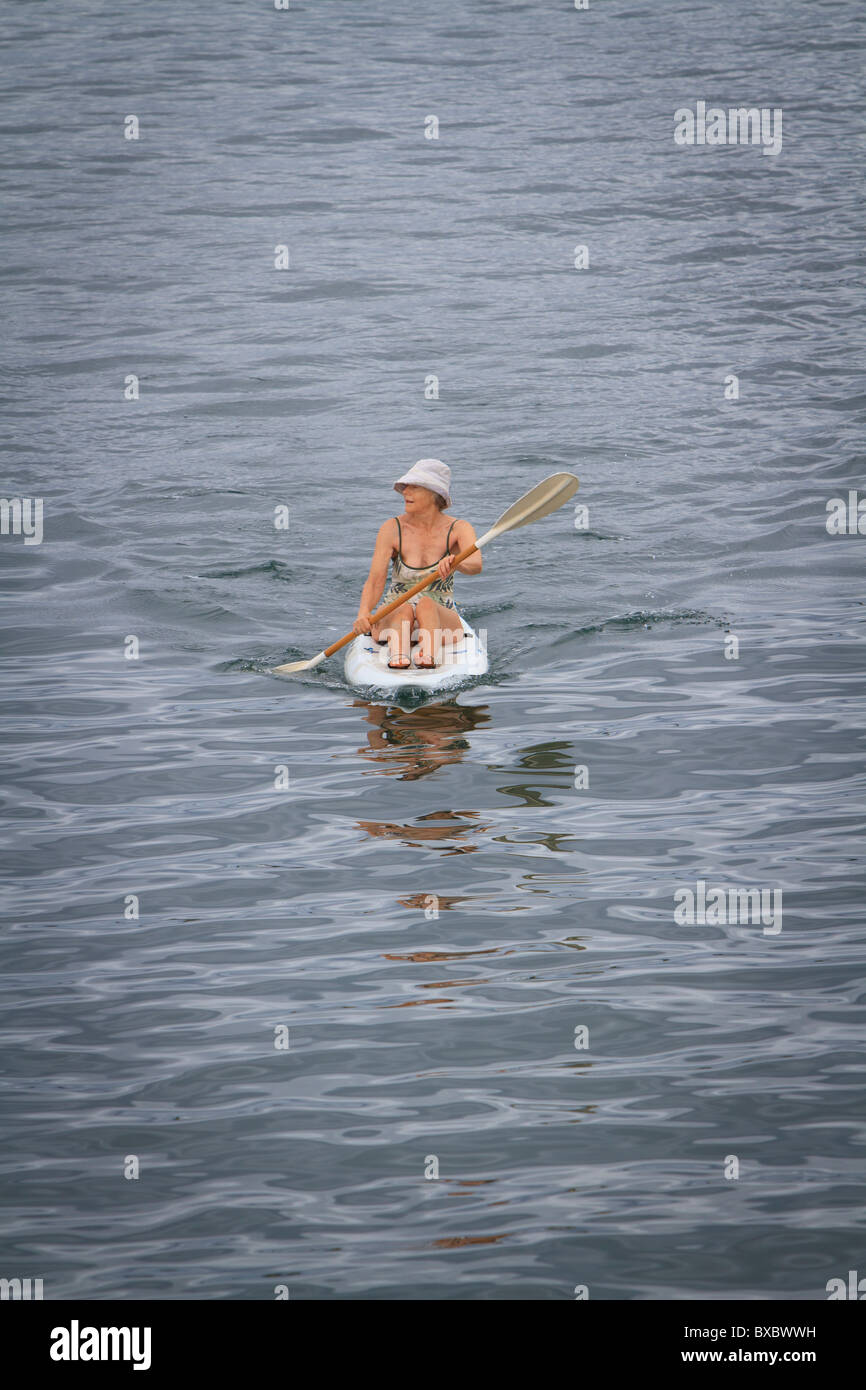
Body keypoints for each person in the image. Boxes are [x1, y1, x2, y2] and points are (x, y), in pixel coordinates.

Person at [352, 460, 482, 669]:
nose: (405, 493)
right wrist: (363, 613)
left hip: (439, 617)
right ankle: (399, 655)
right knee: (403, 608)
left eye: (414, 487)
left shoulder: (459, 528)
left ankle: (428, 655)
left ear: (434, 494)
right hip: (395, 613)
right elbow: (375, 580)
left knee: (426, 605)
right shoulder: (391, 528)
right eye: (405, 487)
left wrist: (456, 562)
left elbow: (476, 564)